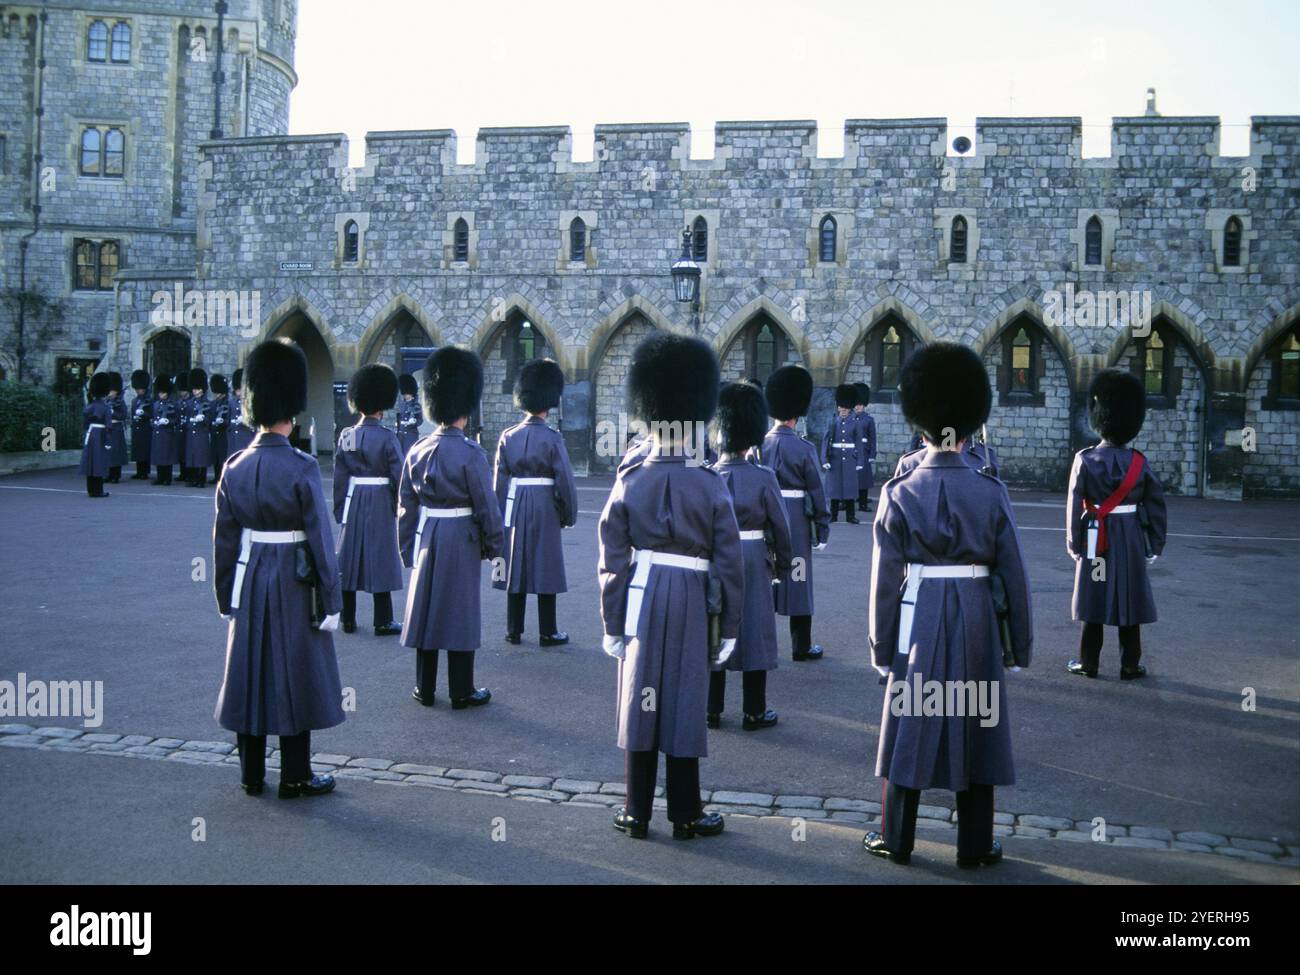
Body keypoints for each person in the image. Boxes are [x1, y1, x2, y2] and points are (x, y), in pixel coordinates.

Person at [863, 341, 1032, 869]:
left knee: (910, 718)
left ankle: (896, 836)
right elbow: (1015, 575)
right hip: (977, 612)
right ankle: (975, 844)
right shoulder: (990, 490)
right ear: (968, 423)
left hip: (919, 611)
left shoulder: (898, 491)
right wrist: (1019, 645)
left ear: (921, 421)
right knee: (977, 719)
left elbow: (884, 581)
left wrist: (881, 646)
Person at [599, 333, 742, 841]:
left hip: (641, 593)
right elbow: (729, 563)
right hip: (690, 597)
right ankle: (686, 812)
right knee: (683, 700)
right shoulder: (708, 481)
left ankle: (636, 810)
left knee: (641, 697)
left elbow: (612, 557)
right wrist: (729, 627)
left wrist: (611, 620)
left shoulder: (630, 477)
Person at [213, 339, 343, 799]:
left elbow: (224, 542)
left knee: (249, 671)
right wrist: (332, 598)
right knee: (297, 672)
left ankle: (250, 775)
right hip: (293, 577)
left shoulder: (234, 467)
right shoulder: (302, 465)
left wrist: (226, 596)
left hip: (249, 578)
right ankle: (295, 775)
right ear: (293, 407)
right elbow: (321, 541)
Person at [398, 347, 504, 709]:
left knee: (427, 610)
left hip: (427, 536)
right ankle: (462, 689)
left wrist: (406, 548)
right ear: (466, 406)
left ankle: (423, 688)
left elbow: (405, 507)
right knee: (460, 611)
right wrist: (495, 547)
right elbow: (487, 506)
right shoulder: (472, 453)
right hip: (462, 537)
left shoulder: (417, 449)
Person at [1066, 369, 1167, 680]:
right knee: (1129, 596)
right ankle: (1129, 664)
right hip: (1130, 538)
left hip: (1097, 538)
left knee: (1095, 595)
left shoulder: (1084, 459)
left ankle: (1088, 662)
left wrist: (1075, 542)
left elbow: (1073, 504)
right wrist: (1154, 544)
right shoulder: (1139, 461)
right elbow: (1155, 505)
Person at [707, 381, 793, 731]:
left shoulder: (708, 476)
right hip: (755, 558)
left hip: (716, 559)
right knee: (755, 632)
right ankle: (754, 711)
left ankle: (711, 709)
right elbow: (782, 526)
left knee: (715, 628)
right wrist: (784, 565)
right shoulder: (763, 477)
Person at [494, 358, 577, 646]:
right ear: (548, 402)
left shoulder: (508, 436)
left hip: (515, 503)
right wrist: (568, 513)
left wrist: (500, 515)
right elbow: (564, 480)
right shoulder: (553, 438)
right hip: (543, 503)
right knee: (546, 565)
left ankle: (513, 629)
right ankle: (548, 630)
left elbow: (500, 482)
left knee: (514, 563)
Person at [762, 365, 830, 661]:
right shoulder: (803, 448)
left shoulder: (759, 443)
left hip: (765, 517)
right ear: (797, 413)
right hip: (797, 522)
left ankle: (760, 644)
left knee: (764, 577)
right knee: (799, 578)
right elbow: (817, 490)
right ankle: (800, 645)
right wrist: (822, 525)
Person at [334, 363, 405, 637]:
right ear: (381, 407)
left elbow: (341, 475)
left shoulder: (348, 435)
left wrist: (341, 509)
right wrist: (400, 506)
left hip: (353, 498)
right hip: (378, 499)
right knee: (381, 557)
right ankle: (382, 620)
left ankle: (348, 619)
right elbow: (399, 476)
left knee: (349, 558)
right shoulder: (387, 437)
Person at [822, 384, 865, 523]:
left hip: (850, 458)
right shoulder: (833, 421)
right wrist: (824, 459)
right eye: (841, 408)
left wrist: (860, 461)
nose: (843, 410)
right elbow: (826, 440)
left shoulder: (855, 423)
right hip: (835, 457)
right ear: (838, 407)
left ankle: (850, 516)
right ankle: (833, 515)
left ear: (850, 408)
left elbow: (859, 443)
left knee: (850, 488)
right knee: (835, 488)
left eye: (846, 408)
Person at [78, 372, 114, 498]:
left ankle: (91, 490)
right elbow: (108, 426)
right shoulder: (105, 407)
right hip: (100, 436)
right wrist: (108, 442)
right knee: (99, 463)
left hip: (90, 435)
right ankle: (98, 491)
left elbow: (84, 423)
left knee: (90, 463)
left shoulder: (89, 406)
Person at [183, 368, 214, 487]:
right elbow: (186, 418)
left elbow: (209, 419)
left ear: (203, 389)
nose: (196, 391)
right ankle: (193, 478)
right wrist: (191, 421)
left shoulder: (207, 403)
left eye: (198, 389)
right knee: (193, 456)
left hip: (202, 432)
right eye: (194, 389)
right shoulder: (190, 403)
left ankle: (201, 479)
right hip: (192, 432)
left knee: (202, 457)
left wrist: (203, 419)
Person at [149, 375, 178, 485]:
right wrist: (153, 423)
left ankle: (167, 478)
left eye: (163, 393)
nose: (161, 395)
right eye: (160, 393)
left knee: (167, 457)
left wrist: (168, 422)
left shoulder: (172, 404)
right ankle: (160, 477)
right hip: (157, 432)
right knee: (158, 456)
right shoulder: (155, 404)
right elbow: (152, 417)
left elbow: (176, 419)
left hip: (167, 433)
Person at [853, 382, 877, 511]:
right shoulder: (849, 419)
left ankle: (863, 503)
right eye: (856, 405)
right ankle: (846, 503)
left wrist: (872, 454)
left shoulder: (868, 420)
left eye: (860, 405)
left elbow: (873, 439)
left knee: (863, 480)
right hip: (852, 452)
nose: (858, 407)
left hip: (864, 452)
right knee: (850, 479)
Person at [129, 370, 152, 480]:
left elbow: (152, 413)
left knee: (144, 452)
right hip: (137, 428)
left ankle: (145, 472)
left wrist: (144, 414)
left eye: (140, 389)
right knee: (138, 452)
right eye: (137, 389)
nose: (139, 391)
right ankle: (139, 472)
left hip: (145, 428)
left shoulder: (149, 400)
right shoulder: (134, 401)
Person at [105, 372, 128, 483]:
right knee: (108, 453)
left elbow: (123, 415)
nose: (110, 393)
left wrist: (113, 412)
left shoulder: (120, 402)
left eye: (112, 391)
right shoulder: (106, 401)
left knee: (116, 454)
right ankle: (108, 474)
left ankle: (116, 475)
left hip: (116, 428)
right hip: (108, 429)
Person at [227, 368, 255, 455]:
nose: (239, 393)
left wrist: (245, 420)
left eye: (240, 390)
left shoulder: (252, 402)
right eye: (237, 390)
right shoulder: (231, 402)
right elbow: (227, 421)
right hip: (234, 440)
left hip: (246, 439)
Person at [209, 374, 231, 481]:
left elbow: (229, 419)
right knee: (215, 456)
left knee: (223, 457)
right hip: (214, 433)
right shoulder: (213, 404)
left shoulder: (228, 403)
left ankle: (223, 477)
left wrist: (223, 422)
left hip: (223, 433)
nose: (216, 395)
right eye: (215, 393)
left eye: (218, 393)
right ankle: (217, 476)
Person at [396, 373, 423, 455]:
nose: (405, 396)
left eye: (407, 394)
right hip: (400, 435)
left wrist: (413, 421)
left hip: (410, 435)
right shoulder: (402, 404)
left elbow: (420, 420)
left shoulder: (416, 405)